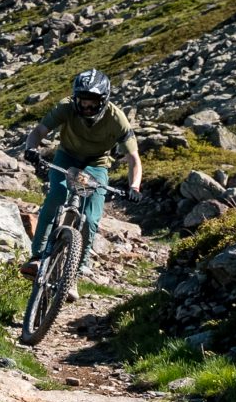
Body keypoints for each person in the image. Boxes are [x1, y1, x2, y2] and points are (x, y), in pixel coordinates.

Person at [18, 69, 143, 298]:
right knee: (57, 194)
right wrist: (31, 149)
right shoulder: (65, 107)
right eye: (82, 102)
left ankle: (75, 272)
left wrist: (134, 187)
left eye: (92, 103)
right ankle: (37, 258)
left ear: (103, 100)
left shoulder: (117, 119)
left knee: (92, 215)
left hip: (97, 163)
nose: (86, 107)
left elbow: (134, 159)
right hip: (67, 156)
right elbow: (38, 131)